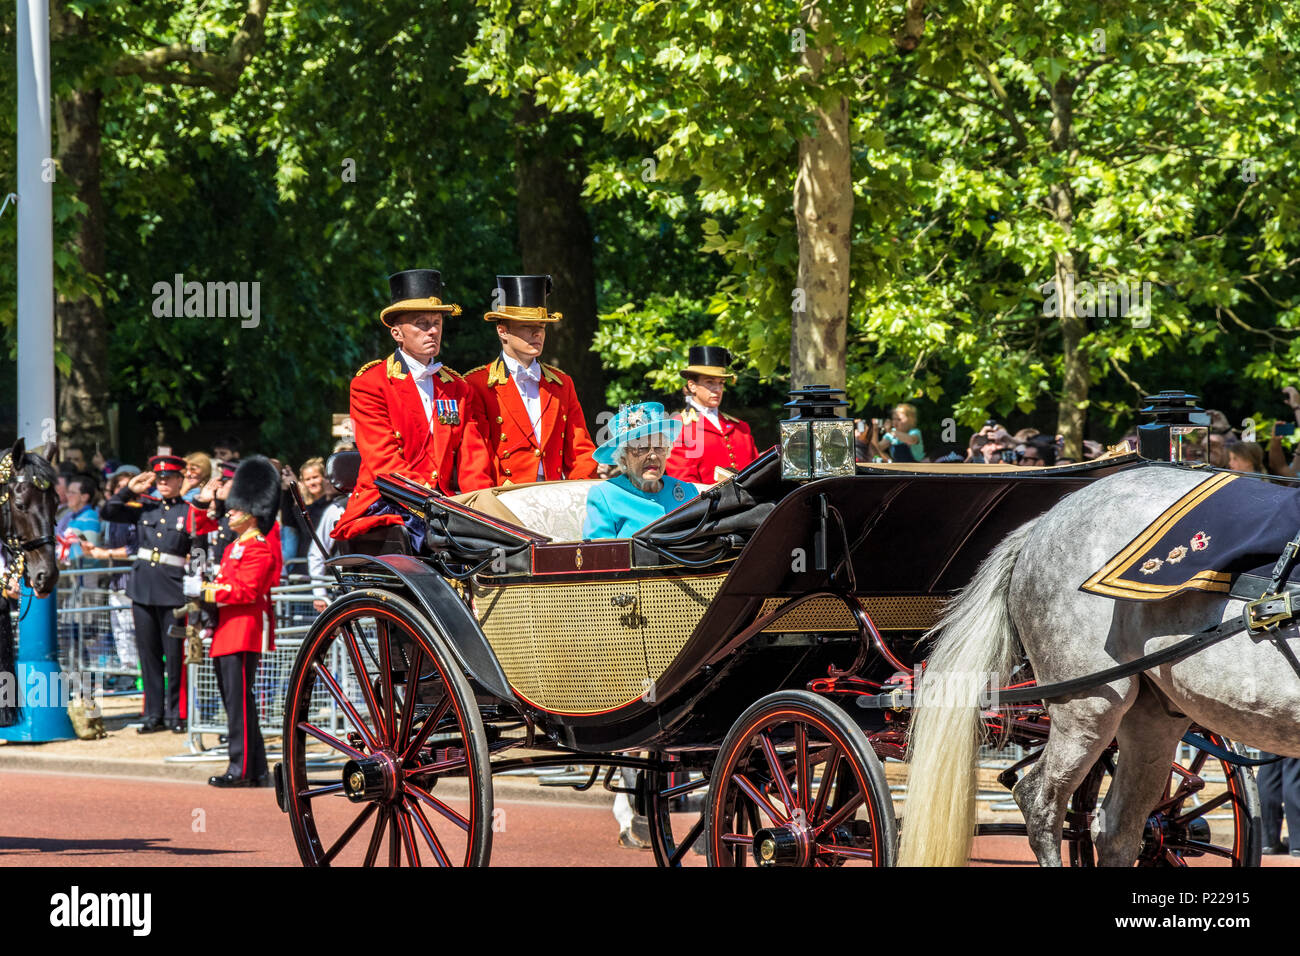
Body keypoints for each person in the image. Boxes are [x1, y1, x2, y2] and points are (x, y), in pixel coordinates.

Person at [332, 269, 494, 548]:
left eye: (437, 322)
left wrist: (480, 507)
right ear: (397, 333)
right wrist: (435, 502)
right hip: (390, 500)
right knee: (441, 540)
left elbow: (472, 458)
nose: (432, 330)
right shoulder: (370, 384)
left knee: (492, 539)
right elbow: (384, 462)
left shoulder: (457, 387)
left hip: (443, 505)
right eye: (421, 323)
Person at [184, 456, 282, 788]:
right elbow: (200, 529)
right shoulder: (235, 547)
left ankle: (239, 769)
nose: (230, 513)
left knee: (238, 705)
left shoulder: (259, 548)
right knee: (239, 703)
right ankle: (255, 768)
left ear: (252, 512)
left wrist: (206, 591)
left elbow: (245, 591)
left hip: (243, 631)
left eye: (236, 509)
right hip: (228, 630)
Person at [99, 455, 205, 733]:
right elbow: (109, 511)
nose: (164, 482)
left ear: (180, 480)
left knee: (174, 656)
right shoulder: (145, 505)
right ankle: (153, 714)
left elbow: (198, 550)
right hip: (143, 588)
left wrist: (196, 586)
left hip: (173, 591)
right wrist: (129, 490)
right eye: (160, 479)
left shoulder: (189, 511)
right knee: (149, 655)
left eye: (169, 478)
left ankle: (176, 715)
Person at [464, 275, 598, 485]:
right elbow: (476, 456)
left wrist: (584, 495)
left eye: (542, 326)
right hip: (504, 500)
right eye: (527, 326)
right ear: (502, 330)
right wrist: (486, 507)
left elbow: (580, 451)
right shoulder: (478, 384)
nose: (537, 333)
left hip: (554, 495)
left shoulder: (562, 384)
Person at [585, 403, 698, 540]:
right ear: (623, 457)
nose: (653, 456)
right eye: (642, 448)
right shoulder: (605, 496)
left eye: (659, 447)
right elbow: (598, 555)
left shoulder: (688, 492)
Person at [665, 346, 759, 484]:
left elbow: (758, 474)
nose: (717, 389)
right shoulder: (678, 428)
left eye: (721, 383)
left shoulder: (741, 428)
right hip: (708, 505)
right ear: (692, 386)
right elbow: (685, 486)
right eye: (710, 382)